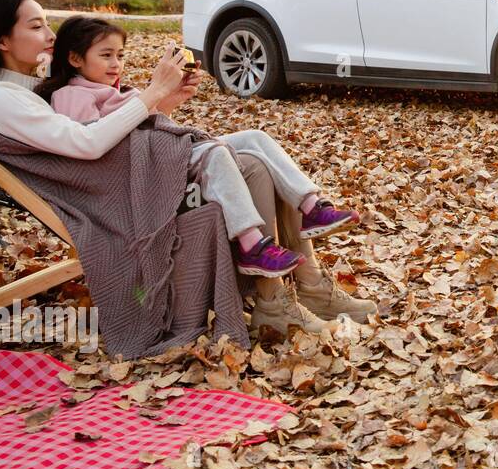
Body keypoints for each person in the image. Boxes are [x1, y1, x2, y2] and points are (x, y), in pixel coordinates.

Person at [0, 0, 374, 344]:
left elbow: (116, 134)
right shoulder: (5, 99)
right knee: (244, 164)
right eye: (35, 25)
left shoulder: (29, 89)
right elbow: (87, 142)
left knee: (255, 157)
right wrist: (153, 92)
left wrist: (164, 101)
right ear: (1, 40)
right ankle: (274, 296)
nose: (50, 34)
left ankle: (304, 287)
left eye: (46, 21)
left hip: (135, 174)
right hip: (119, 202)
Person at [38, 15, 362, 278]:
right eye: (106, 55)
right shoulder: (72, 95)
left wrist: (171, 99)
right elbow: (94, 142)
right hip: (147, 169)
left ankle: (312, 206)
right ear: (75, 58)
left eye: (120, 55)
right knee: (215, 152)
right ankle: (252, 244)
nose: (116, 64)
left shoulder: (114, 91)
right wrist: (152, 93)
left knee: (255, 138)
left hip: (165, 150)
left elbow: (140, 121)